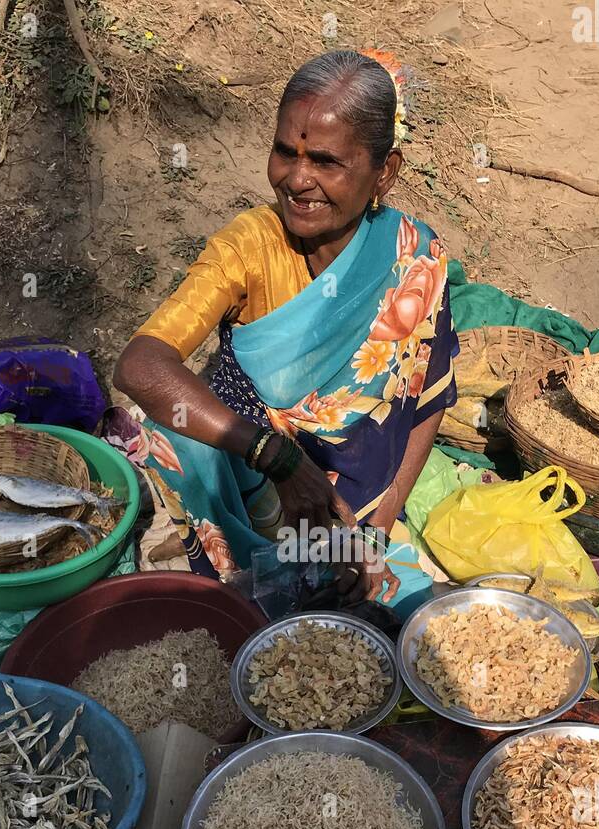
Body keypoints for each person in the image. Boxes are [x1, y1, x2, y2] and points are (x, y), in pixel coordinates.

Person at [111, 49, 457, 615]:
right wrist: (278, 458)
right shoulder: (249, 246)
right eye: (284, 152)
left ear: (384, 172)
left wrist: (378, 528)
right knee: (250, 618)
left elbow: (428, 395)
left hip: (356, 506)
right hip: (253, 484)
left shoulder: (412, 258)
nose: (297, 179)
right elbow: (140, 366)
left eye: (325, 161)